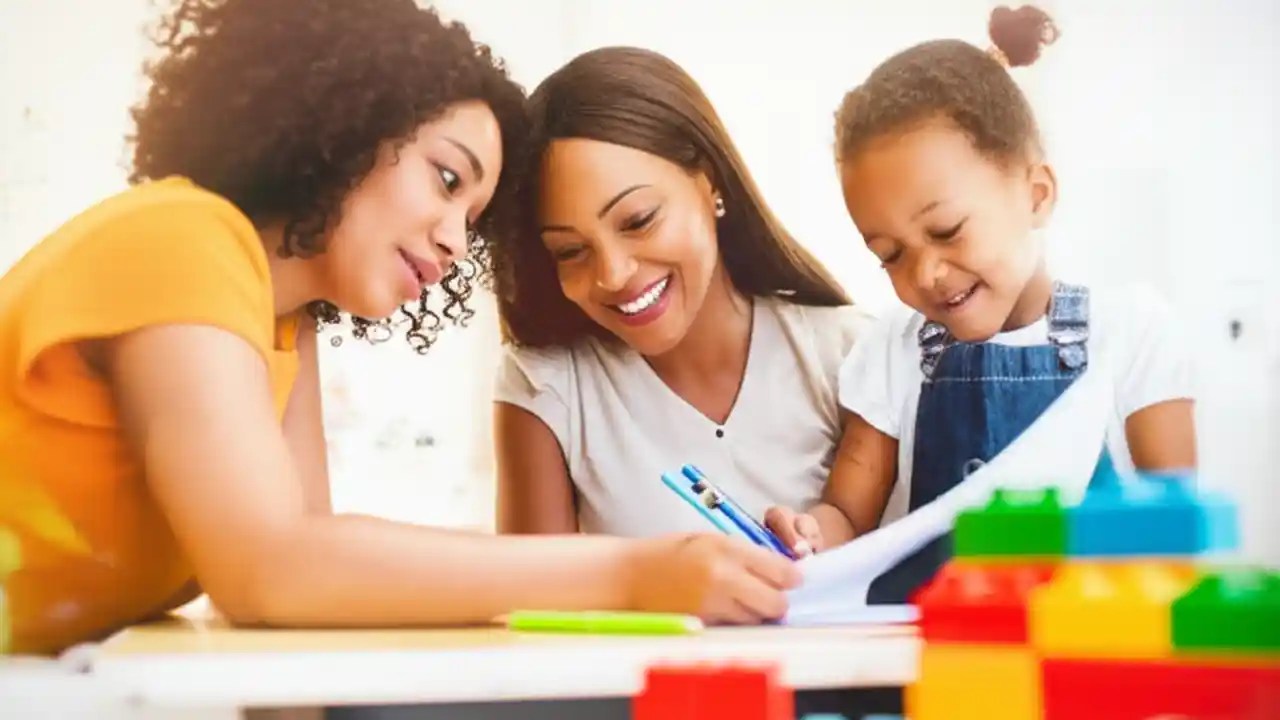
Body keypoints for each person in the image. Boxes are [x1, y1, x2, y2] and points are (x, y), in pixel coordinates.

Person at [0, 0, 796, 656]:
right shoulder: (183, 237)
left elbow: (304, 563)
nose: (455, 238)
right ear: (346, 125)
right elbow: (269, 571)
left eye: (473, 217)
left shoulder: (281, 322)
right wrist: (633, 574)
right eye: (447, 179)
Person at [764, 5, 1196, 601]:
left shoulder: (1131, 332)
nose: (927, 273)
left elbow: (1174, 530)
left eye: (946, 231)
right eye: (890, 254)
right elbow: (846, 514)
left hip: (1085, 653)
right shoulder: (891, 349)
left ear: (1036, 195)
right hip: (929, 658)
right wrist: (809, 537)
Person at [490, 47, 871, 574]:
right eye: (570, 251)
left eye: (638, 219)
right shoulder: (549, 386)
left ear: (709, 181)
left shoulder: (852, 357)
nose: (613, 275)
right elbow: (528, 602)